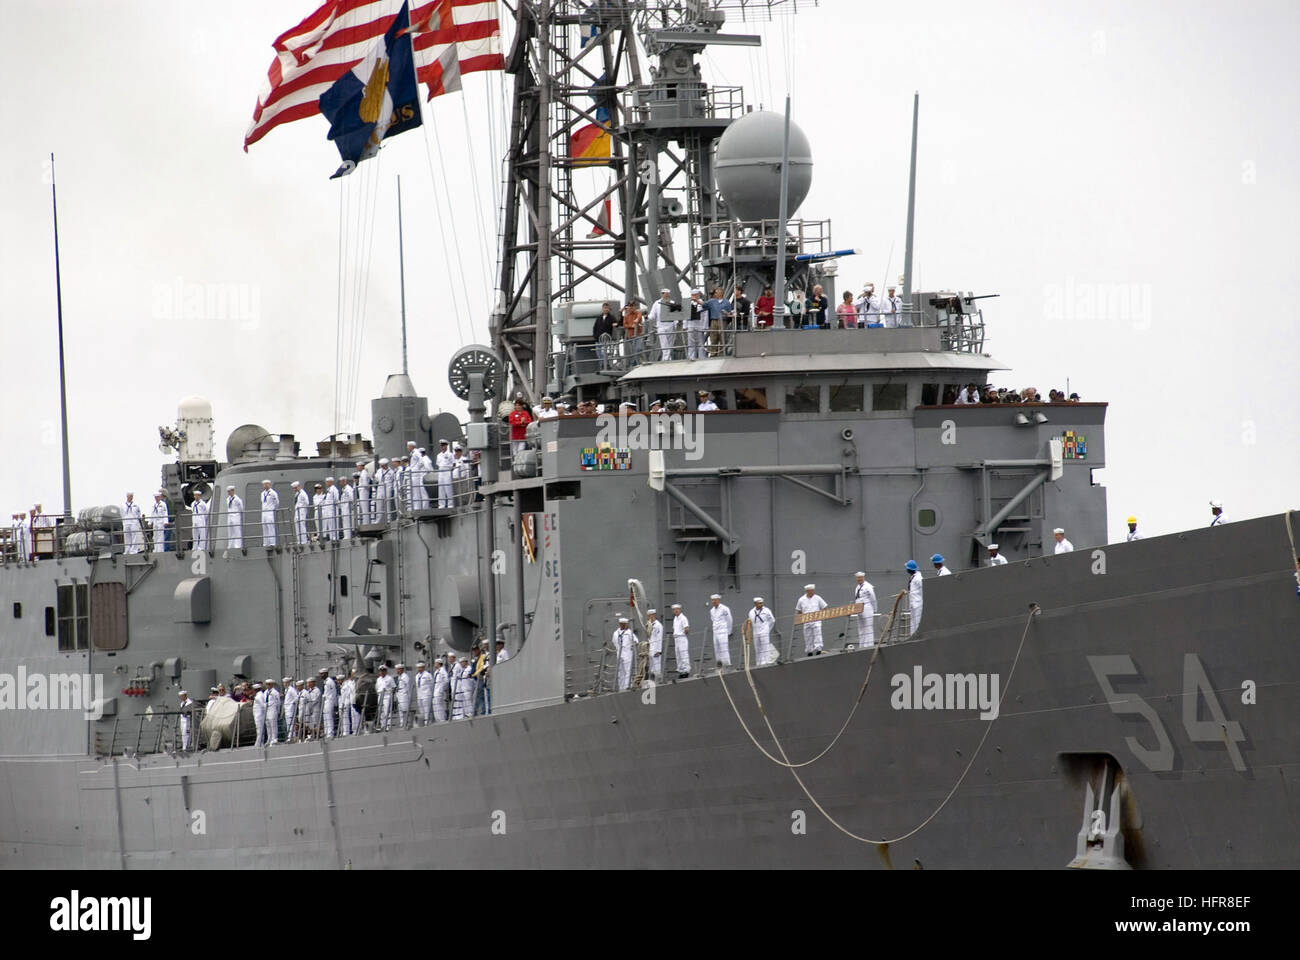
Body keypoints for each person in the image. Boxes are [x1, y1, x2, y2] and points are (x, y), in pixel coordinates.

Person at [794, 584, 827, 655]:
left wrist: (822, 616)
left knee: (818, 634)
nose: (812, 592)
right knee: (807, 636)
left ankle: (818, 650)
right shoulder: (801, 600)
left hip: (816, 620)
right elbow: (799, 611)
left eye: (813, 591)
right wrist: (801, 619)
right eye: (810, 591)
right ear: (807, 591)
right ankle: (809, 651)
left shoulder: (817, 598)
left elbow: (824, 607)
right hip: (806, 621)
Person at [648, 288, 677, 360]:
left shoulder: (672, 303)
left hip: (670, 324)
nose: (666, 295)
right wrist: (647, 317)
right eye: (665, 293)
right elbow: (652, 315)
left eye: (668, 294)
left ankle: (666, 358)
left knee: (669, 343)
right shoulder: (657, 303)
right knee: (664, 342)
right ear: (662, 294)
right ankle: (667, 358)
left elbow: (675, 314)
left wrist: (676, 324)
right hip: (661, 325)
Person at [747, 598, 776, 666]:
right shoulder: (751, 612)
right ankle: (759, 662)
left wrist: (767, 629)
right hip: (755, 631)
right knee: (757, 647)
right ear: (755, 604)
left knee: (765, 646)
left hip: (764, 630)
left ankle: (767, 661)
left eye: (762, 603)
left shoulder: (766, 610)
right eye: (759, 603)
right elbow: (750, 622)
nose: (761, 604)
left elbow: (772, 620)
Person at [851, 572, 877, 648]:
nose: (859, 579)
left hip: (867, 607)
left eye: (860, 578)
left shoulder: (868, 586)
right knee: (861, 627)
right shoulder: (857, 587)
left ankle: (869, 645)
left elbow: (873, 597)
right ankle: (862, 645)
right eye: (858, 578)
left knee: (868, 627)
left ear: (863, 578)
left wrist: (874, 608)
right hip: (859, 609)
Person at [708, 594, 733, 669]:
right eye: (712, 600)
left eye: (715, 600)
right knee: (717, 650)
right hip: (715, 632)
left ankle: (727, 665)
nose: (713, 602)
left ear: (718, 600)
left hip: (723, 631)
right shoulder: (712, 610)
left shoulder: (724, 609)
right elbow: (713, 620)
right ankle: (720, 666)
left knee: (724, 649)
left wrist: (729, 631)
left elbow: (729, 620)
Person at [704, 286, 730, 356]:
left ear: (721, 293)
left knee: (722, 338)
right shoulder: (712, 301)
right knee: (713, 337)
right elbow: (704, 304)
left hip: (723, 321)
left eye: (716, 292)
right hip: (714, 321)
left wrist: (727, 313)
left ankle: (722, 353)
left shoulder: (727, 302)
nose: (715, 294)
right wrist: (697, 300)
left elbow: (729, 312)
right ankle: (713, 353)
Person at [612, 617, 636, 691]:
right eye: (624, 624)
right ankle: (621, 687)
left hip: (627, 654)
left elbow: (635, 641)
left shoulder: (629, 633)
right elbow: (614, 642)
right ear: (622, 624)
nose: (626, 625)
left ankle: (627, 686)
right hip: (620, 654)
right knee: (620, 671)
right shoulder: (616, 633)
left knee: (627, 670)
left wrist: (632, 645)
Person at [685, 289, 707, 360]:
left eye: (695, 295)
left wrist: (705, 326)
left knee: (701, 342)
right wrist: (685, 326)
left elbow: (705, 315)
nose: (694, 296)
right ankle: (691, 356)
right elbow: (685, 315)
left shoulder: (702, 303)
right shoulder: (688, 304)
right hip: (690, 325)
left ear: (698, 295)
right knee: (690, 342)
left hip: (699, 324)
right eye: (693, 295)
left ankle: (701, 357)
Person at [671, 602, 690, 678]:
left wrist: (682, 634)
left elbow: (687, 629)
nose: (675, 611)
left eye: (677, 609)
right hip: (676, 639)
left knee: (683, 654)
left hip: (682, 638)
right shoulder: (675, 619)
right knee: (678, 655)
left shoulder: (683, 618)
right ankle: (681, 670)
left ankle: (686, 670)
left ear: (679, 610)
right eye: (674, 610)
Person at [374, 664, 395, 730]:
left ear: (386, 671)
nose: (382, 672)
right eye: (381, 671)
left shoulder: (389, 678)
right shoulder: (378, 679)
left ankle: (388, 725)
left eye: (383, 670)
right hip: (380, 696)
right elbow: (377, 688)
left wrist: (391, 695)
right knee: (381, 711)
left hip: (387, 696)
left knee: (387, 711)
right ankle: (383, 725)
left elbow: (393, 687)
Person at [905, 561, 923, 636]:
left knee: (917, 622)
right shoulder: (913, 577)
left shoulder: (918, 578)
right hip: (913, 604)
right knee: (913, 622)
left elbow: (923, 590)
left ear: (910, 569)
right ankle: (912, 636)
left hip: (918, 604)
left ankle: (917, 636)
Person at [223, 485, 244, 550]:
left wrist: (237, 514)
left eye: (229, 491)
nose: (228, 493)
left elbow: (241, 508)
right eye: (228, 491)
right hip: (230, 516)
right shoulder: (228, 499)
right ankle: (231, 545)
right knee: (230, 531)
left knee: (237, 531)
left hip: (236, 516)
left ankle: (238, 545)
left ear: (232, 491)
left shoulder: (237, 499)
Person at [645, 609, 663, 681]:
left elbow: (659, 638)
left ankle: (658, 682)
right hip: (651, 649)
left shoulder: (658, 625)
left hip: (656, 649)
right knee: (652, 668)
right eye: (649, 616)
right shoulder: (649, 625)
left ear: (654, 615)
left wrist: (659, 650)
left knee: (657, 668)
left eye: (651, 615)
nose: (649, 617)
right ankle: (653, 682)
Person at [436, 439, 455, 508]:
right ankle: (441, 505)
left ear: (446, 446)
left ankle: (450, 504)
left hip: (447, 472)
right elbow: (438, 464)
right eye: (441, 446)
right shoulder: (439, 455)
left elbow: (454, 464)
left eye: (443, 445)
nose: (442, 447)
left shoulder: (450, 454)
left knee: (448, 488)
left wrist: (450, 469)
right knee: (441, 489)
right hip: (441, 472)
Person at [258, 480, 278, 546]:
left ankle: (272, 543)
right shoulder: (262, 493)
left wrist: (273, 508)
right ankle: (266, 543)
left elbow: (276, 502)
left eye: (266, 484)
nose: (265, 485)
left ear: (269, 484)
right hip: (264, 512)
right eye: (264, 484)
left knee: (270, 527)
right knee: (264, 527)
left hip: (269, 512)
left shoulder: (273, 493)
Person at [320, 668, 338, 738]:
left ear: (326, 674)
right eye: (320, 674)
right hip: (325, 701)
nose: (321, 675)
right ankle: (326, 732)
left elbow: (333, 692)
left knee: (329, 716)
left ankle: (330, 733)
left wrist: (334, 702)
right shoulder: (325, 682)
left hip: (329, 701)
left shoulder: (330, 682)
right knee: (325, 717)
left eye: (322, 674)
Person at [414, 661, 434, 725]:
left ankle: (427, 721)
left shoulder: (427, 675)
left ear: (423, 667)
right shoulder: (417, 676)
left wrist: (430, 693)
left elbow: (432, 684)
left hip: (426, 694)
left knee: (427, 708)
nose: (419, 669)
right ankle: (423, 720)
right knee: (421, 708)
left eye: (420, 667)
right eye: (418, 668)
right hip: (419, 695)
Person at [393, 662, 412, 729]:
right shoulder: (399, 677)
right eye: (396, 669)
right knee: (400, 710)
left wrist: (408, 695)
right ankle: (402, 723)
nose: (397, 671)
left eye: (398, 669)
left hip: (404, 695)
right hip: (399, 695)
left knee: (404, 709)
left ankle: (407, 722)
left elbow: (407, 686)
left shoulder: (405, 676)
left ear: (401, 669)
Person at [432, 658, 450, 723]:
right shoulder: (436, 672)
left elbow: (446, 681)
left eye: (436, 663)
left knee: (439, 706)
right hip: (435, 691)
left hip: (439, 691)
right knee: (435, 706)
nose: (435, 664)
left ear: (439, 664)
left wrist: (441, 689)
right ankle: (437, 719)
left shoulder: (443, 671)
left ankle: (442, 719)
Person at [339, 671, 356, 736]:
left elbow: (347, 694)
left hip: (352, 701)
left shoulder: (348, 684)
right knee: (351, 717)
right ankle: (347, 731)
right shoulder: (347, 683)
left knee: (355, 716)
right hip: (350, 701)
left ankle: (352, 730)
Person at [283, 676, 299, 741]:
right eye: (284, 683)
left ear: (288, 683)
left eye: (285, 683)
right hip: (286, 708)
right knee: (288, 723)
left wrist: (292, 703)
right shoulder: (286, 690)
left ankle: (293, 736)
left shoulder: (291, 689)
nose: (284, 684)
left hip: (290, 708)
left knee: (291, 723)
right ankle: (290, 736)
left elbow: (296, 697)